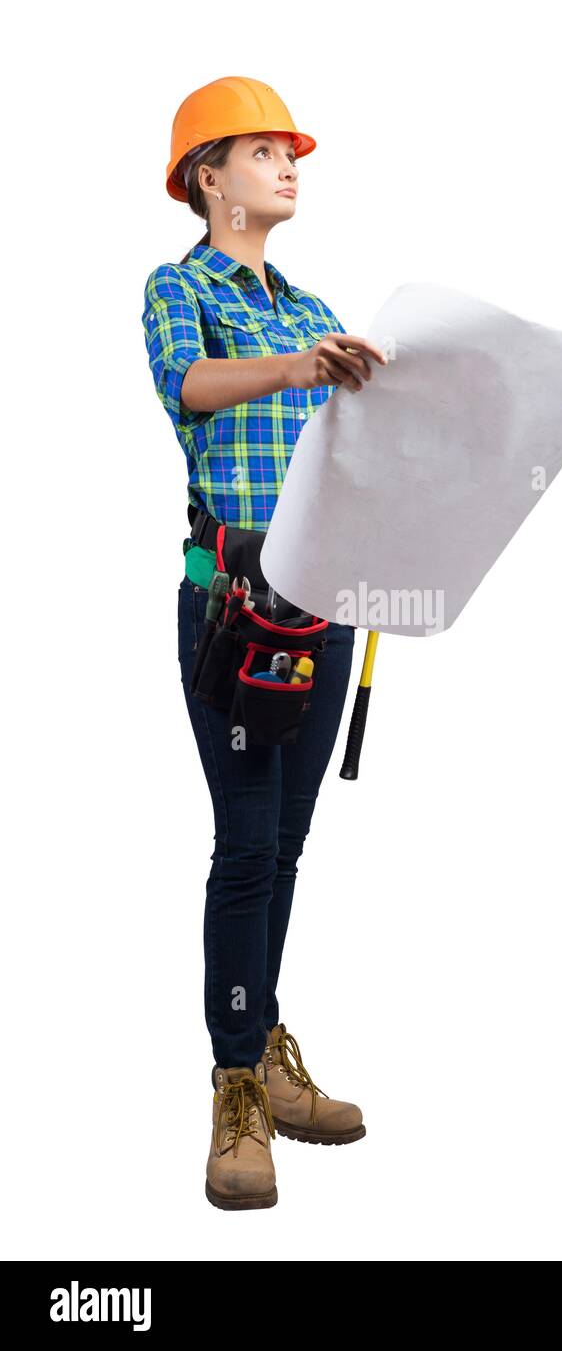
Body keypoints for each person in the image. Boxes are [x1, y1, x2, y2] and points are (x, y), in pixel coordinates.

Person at [141, 76, 387, 1211]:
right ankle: (235, 1087)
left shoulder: (311, 305)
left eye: (293, 152)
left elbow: (374, 434)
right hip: (233, 603)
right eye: (261, 150)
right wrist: (294, 371)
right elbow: (188, 388)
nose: (289, 166)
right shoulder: (179, 289)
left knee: (286, 845)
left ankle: (269, 1046)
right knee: (244, 844)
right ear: (207, 177)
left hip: (320, 600)